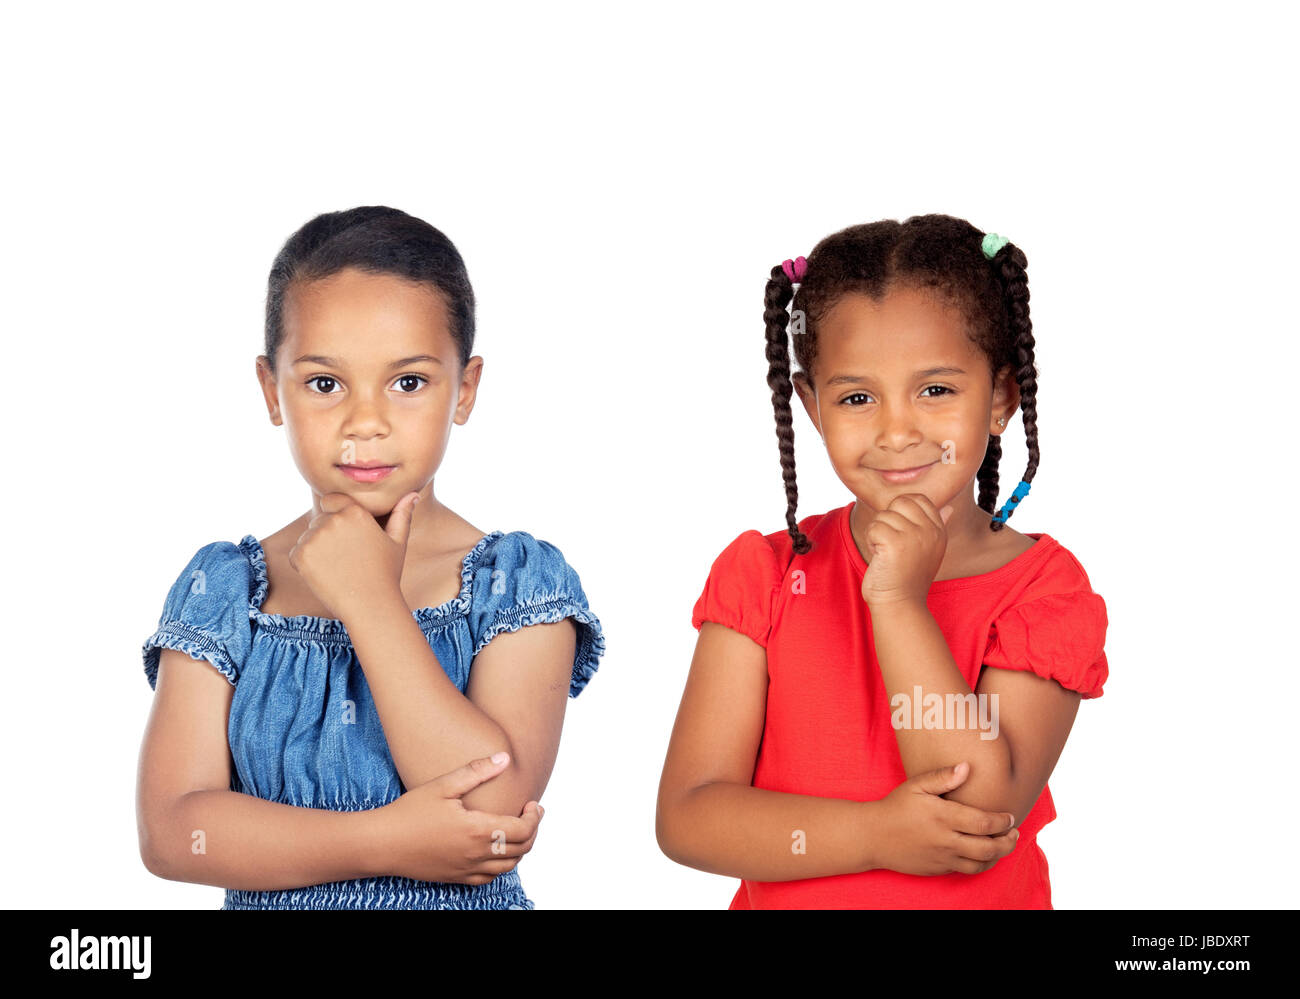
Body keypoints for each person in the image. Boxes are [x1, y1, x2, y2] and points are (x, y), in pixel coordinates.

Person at [137, 206, 605, 909]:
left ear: (465, 389)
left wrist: (368, 599)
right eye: (325, 383)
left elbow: (490, 807)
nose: (366, 421)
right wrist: (385, 838)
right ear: (273, 390)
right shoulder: (227, 589)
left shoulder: (513, 584)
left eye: (408, 382)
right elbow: (174, 831)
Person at [657, 214, 1108, 908]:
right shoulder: (765, 577)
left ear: (1001, 398)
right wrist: (874, 833)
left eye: (936, 389)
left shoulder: (1043, 591)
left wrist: (897, 602)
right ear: (811, 405)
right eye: (857, 397)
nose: (897, 430)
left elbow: (975, 805)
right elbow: (688, 816)